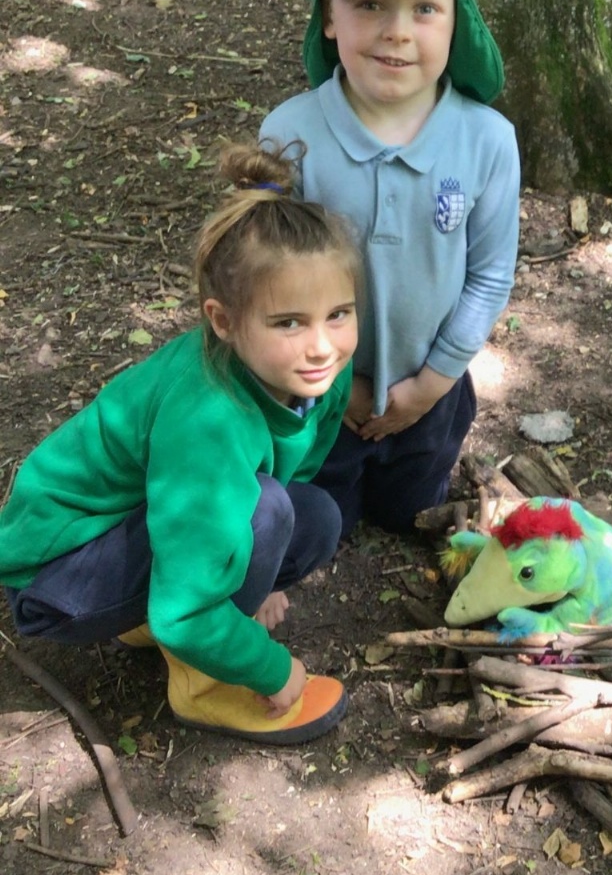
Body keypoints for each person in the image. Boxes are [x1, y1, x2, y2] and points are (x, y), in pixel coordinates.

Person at [0, 143, 361, 744]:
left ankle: (171, 616)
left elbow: (303, 463)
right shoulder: (210, 419)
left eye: (339, 314)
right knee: (264, 508)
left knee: (314, 514)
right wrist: (269, 668)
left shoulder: (319, 371)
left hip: (139, 527)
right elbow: (185, 610)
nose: (321, 345)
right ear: (222, 321)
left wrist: (261, 576)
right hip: (56, 578)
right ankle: (202, 686)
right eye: (288, 322)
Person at [259, 0, 520, 541]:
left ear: (457, 12)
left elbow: (489, 274)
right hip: (317, 396)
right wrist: (329, 381)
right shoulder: (289, 136)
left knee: (410, 515)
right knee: (325, 527)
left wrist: (432, 384)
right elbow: (260, 279)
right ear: (328, 13)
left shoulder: (488, 139)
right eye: (370, 3)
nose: (397, 32)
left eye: (424, 8)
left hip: (430, 395)